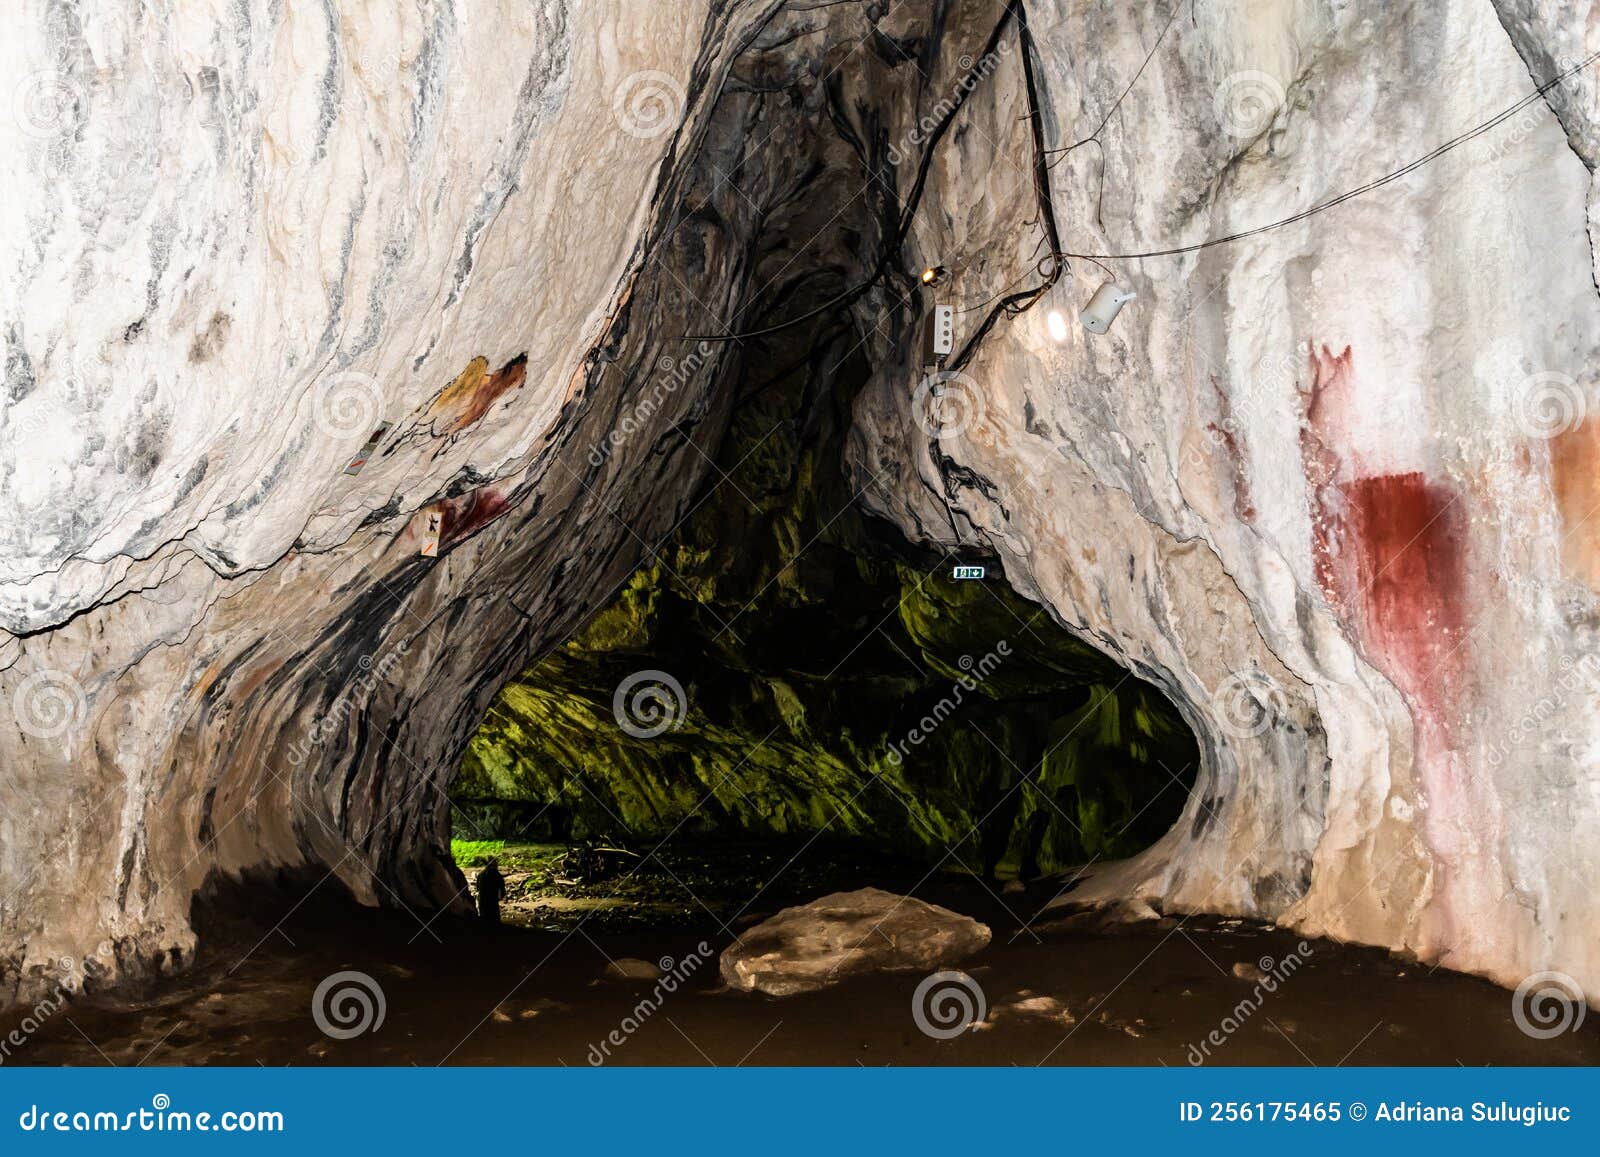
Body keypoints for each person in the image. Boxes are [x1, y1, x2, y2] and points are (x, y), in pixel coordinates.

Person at [474, 857, 506, 925]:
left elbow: (478, 888)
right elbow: (502, 889)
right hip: (492, 900)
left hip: (482, 900)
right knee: (494, 919)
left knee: (484, 919)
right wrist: (500, 897)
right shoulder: (497, 875)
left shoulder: (481, 874)